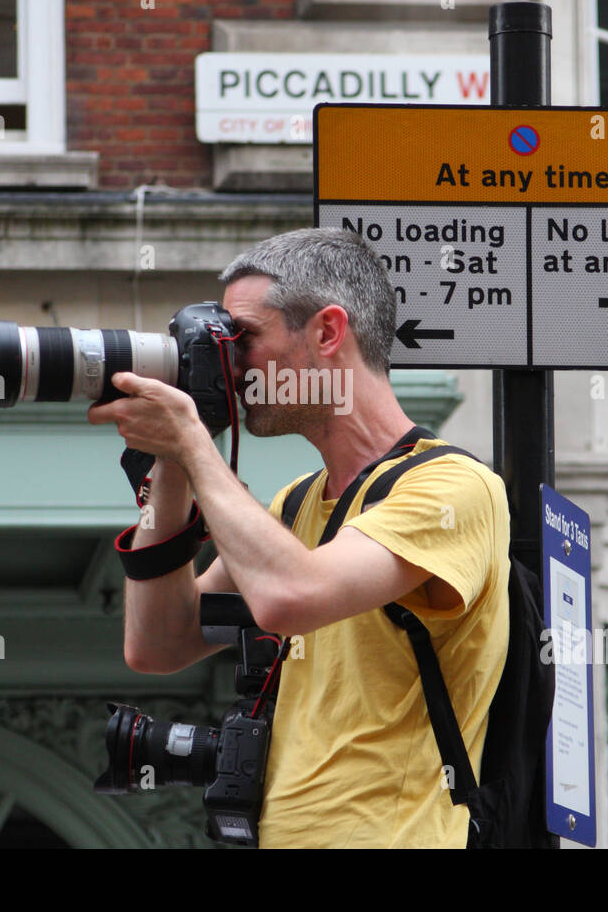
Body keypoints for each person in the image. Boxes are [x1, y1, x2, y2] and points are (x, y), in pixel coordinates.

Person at [87, 226, 509, 848]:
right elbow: (160, 643)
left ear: (329, 333)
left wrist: (195, 446)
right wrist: (170, 465)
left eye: (244, 339)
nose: (229, 363)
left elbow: (292, 597)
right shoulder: (297, 505)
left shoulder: (453, 488)